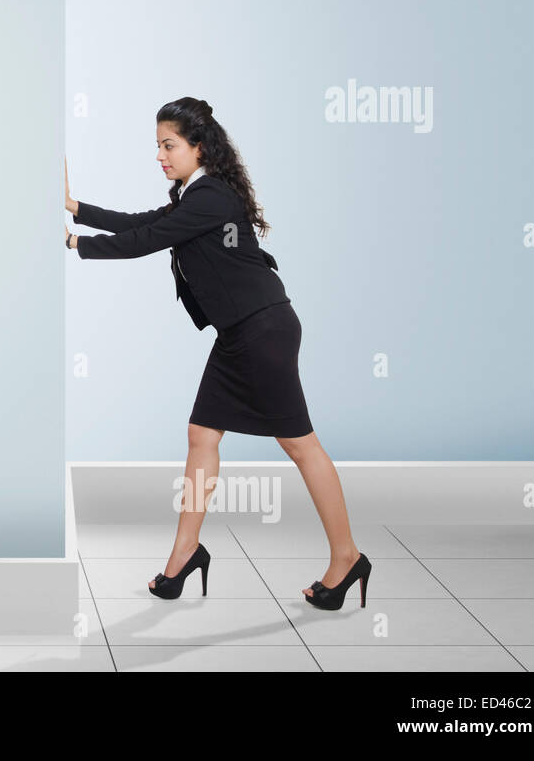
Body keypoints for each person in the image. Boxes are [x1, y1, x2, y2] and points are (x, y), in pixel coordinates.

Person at [63, 97, 370, 610]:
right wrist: (74, 207)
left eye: (169, 145)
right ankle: (185, 554)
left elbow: (147, 239)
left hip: (263, 331)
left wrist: (75, 243)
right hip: (239, 335)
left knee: (300, 446)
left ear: (198, 146)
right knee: (201, 435)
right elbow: (141, 220)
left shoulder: (210, 198)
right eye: (157, 145)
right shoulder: (196, 192)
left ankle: (347, 558)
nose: (160, 155)